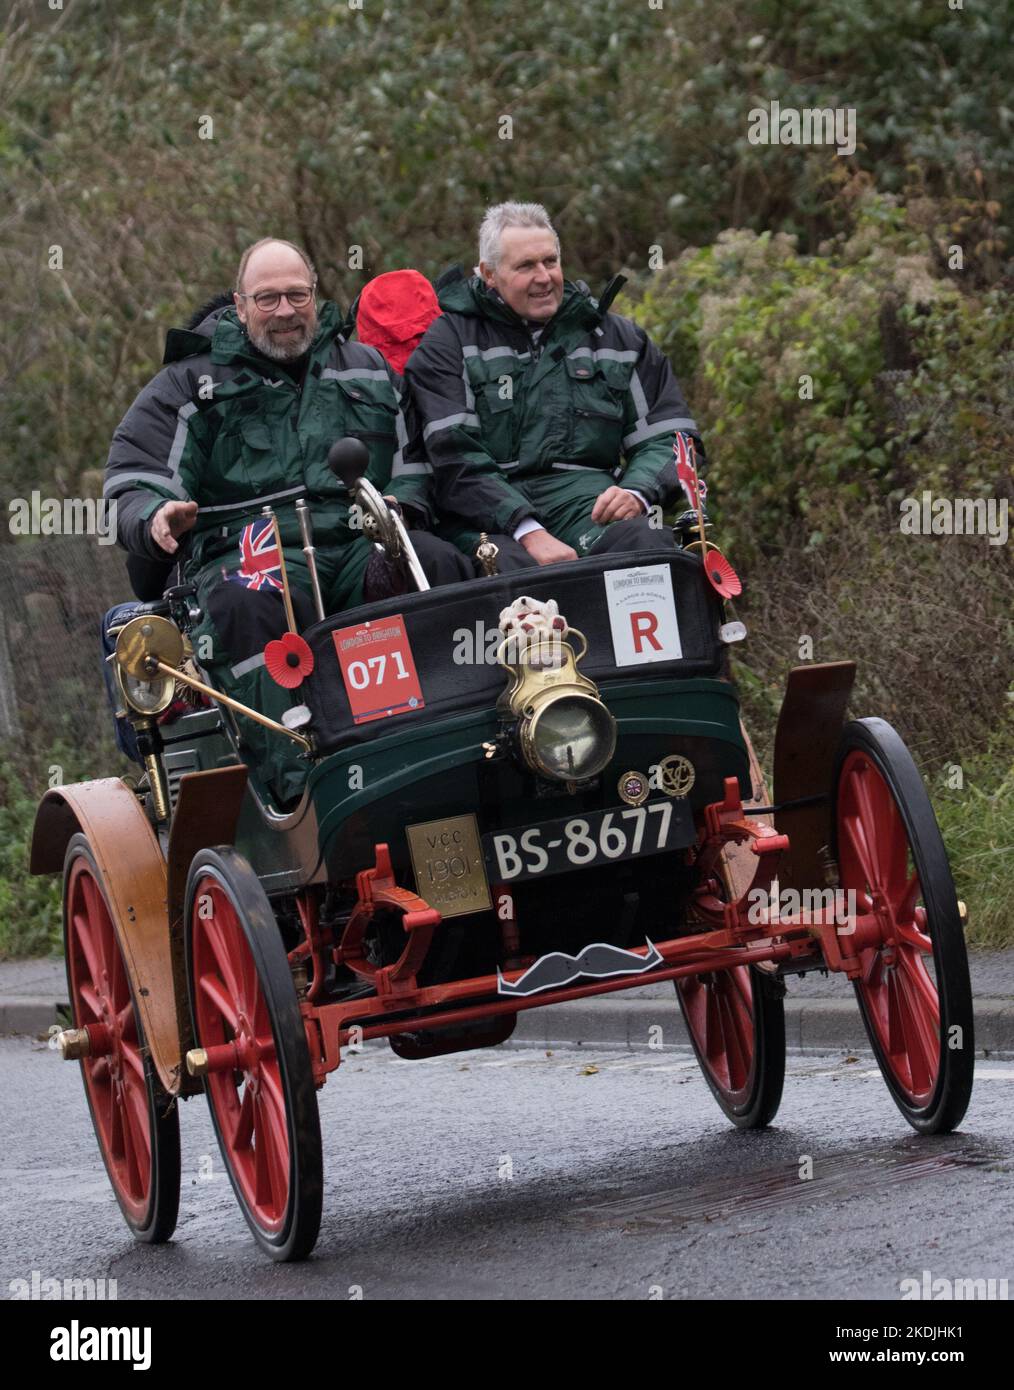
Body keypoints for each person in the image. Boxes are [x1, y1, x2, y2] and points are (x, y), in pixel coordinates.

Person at [103, 237, 472, 803]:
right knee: (239, 604)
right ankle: (305, 787)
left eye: (296, 295)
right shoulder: (188, 386)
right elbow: (136, 473)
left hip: (357, 545)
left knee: (438, 560)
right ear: (240, 303)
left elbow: (414, 463)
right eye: (267, 298)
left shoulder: (366, 367)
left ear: (315, 296)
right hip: (250, 559)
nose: (284, 311)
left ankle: (457, 752)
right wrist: (154, 515)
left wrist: (401, 504)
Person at [405, 201, 705, 569]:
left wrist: (637, 491)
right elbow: (454, 457)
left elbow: (670, 437)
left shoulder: (617, 338)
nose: (544, 277)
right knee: (512, 574)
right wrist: (527, 530)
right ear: (489, 274)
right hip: (489, 522)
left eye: (550, 261)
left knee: (648, 544)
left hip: (588, 509)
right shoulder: (448, 342)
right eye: (526, 266)